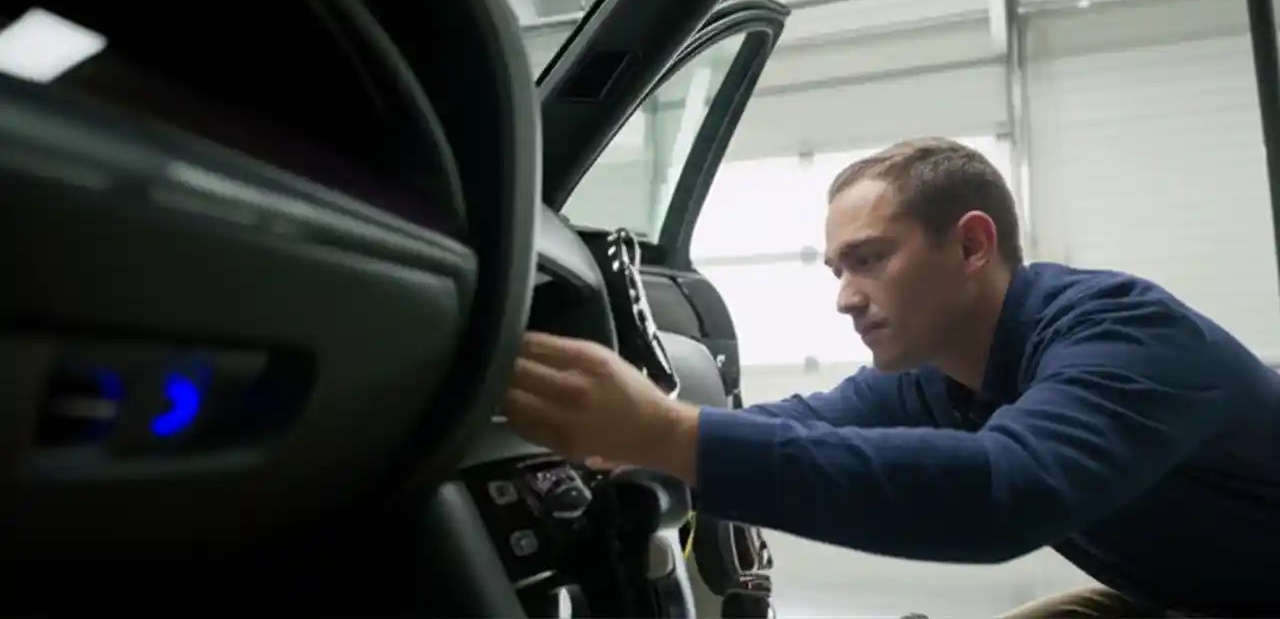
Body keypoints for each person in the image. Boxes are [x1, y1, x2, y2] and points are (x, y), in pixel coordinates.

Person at [503, 138, 1280, 618]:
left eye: (870, 260)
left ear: (972, 246)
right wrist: (629, 441)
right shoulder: (941, 377)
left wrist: (672, 435)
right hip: (1187, 597)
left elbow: (1002, 492)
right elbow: (807, 425)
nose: (845, 297)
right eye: (838, 270)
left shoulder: (1121, 333)